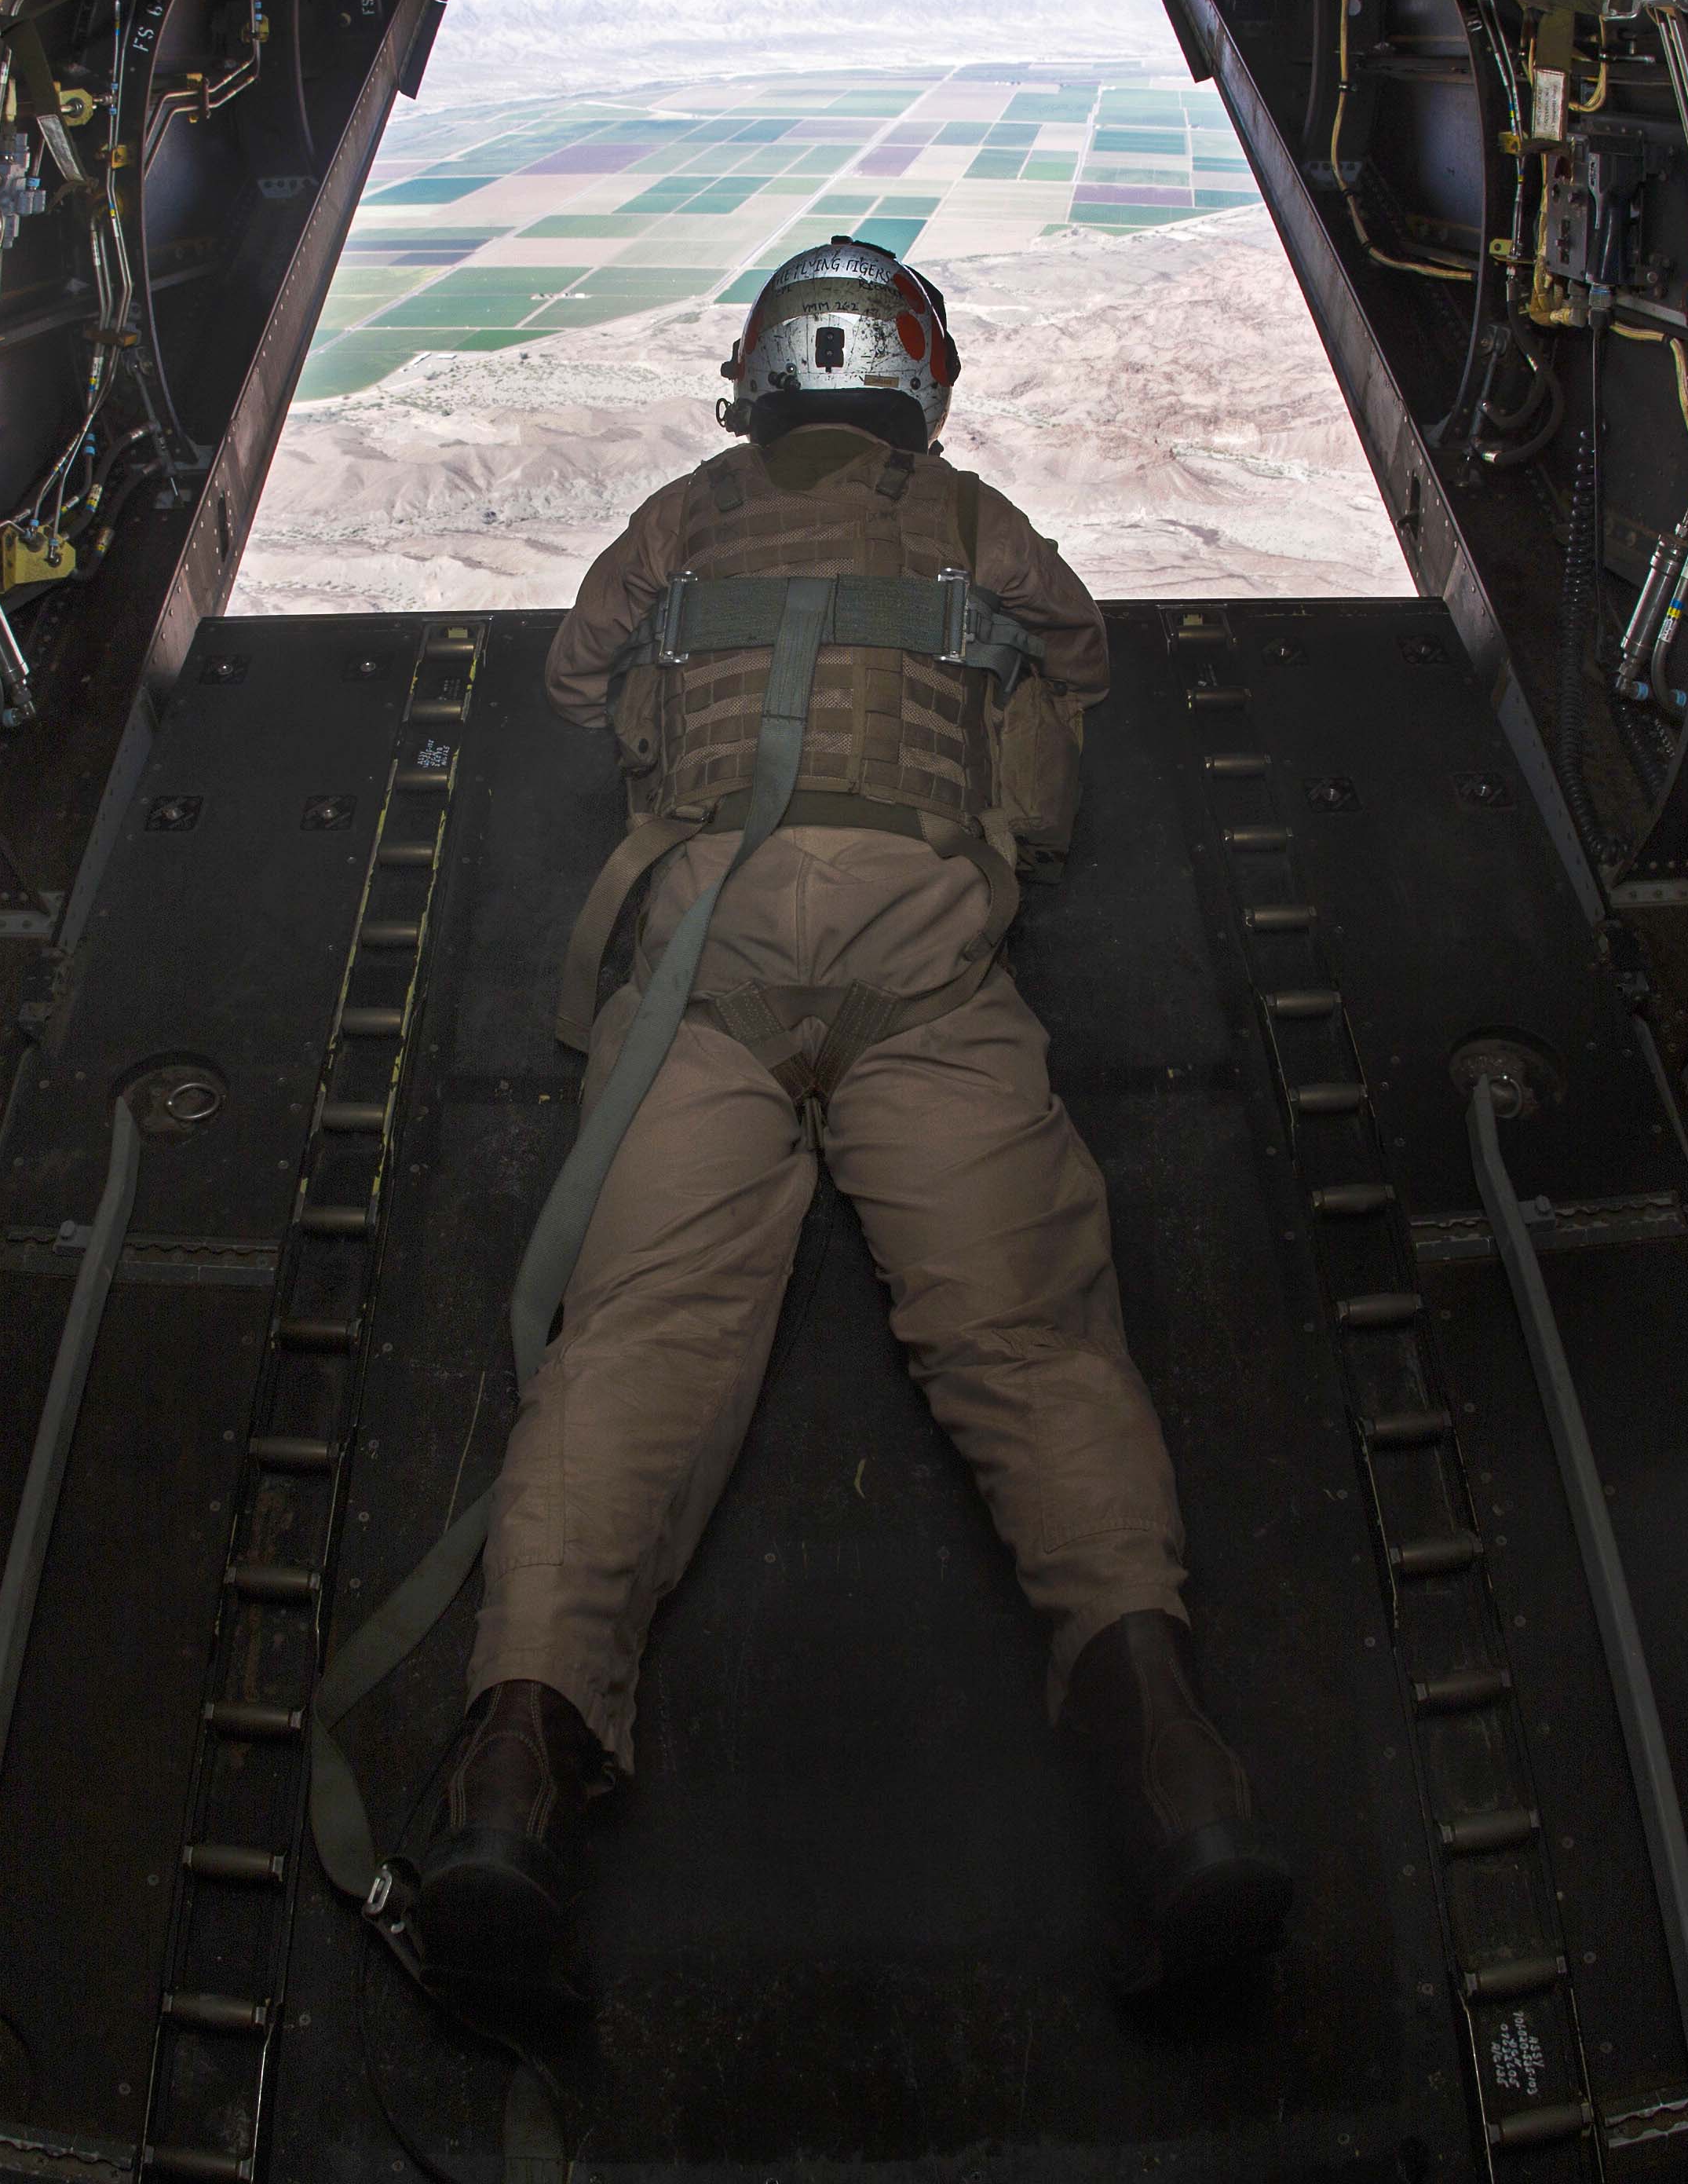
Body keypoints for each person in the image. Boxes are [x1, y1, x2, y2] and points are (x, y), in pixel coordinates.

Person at [405, 236, 1290, 2014]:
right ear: (913, 379)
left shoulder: (682, 514)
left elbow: (577, 682)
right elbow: (1077, 664)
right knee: (1031, 1350)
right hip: (927, 979)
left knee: (633, 1345)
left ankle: (512, 1775)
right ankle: (1174, 1771)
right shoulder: (970, 521)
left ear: (758, 377)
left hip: (702, 983)